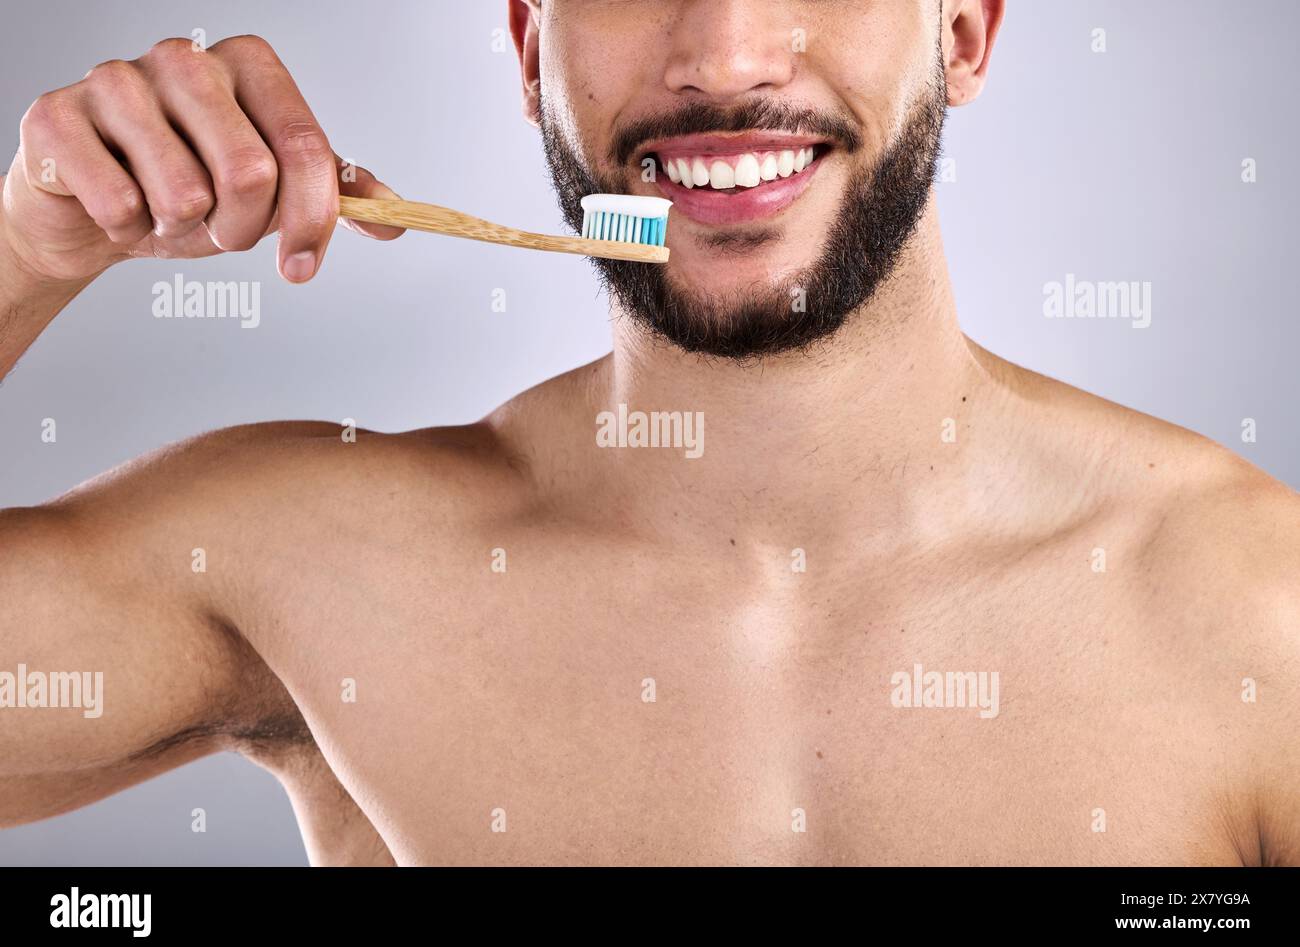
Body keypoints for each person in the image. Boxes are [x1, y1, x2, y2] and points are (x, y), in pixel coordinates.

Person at [1, 0, 1296, 865]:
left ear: (960, 28)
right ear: (527, 49)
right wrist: (20, 255)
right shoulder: (306, 566)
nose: (727, 57)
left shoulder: (1257, 615)